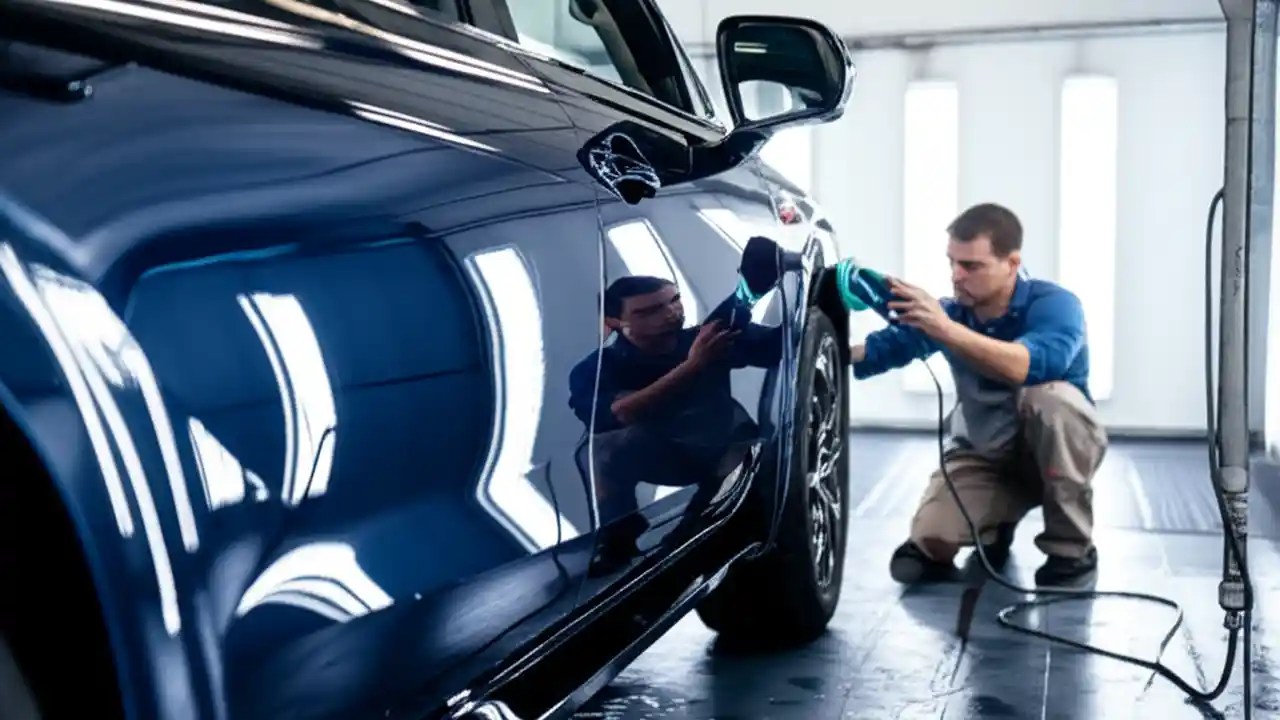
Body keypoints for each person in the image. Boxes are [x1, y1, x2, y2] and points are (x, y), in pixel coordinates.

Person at [851, 203, 1108, 588]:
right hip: (985, 457)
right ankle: (994, 524)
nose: (956, 276)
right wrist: (810, 336)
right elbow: (870, 355)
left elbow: (1029, 365)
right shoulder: (949, 314)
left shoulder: (1055, 305)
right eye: (952, 262)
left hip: (1054, 456)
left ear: (1012, 263)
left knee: (1049, 399)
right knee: (925, 546)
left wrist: (943, 329)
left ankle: (1072, 550)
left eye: (971, 266)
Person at [567, 275, 782, 573]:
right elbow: (619, 414)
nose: (670, 313)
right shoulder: (599, 368)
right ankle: (617, 537)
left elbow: (782, 345)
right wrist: (694, 365)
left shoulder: (706, 339)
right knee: (600, 449)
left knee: (748, 450)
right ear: (615, 322)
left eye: (674, 300)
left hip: (725, 447)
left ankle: (691, 537)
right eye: (648, 311)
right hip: (666, 454)